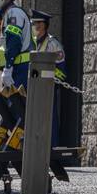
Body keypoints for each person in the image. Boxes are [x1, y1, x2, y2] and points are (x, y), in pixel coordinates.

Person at [30, 9, 66, 148]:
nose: (35, 27)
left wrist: (50, 81)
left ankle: (52, 149)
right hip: (35, 88)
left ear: (45, 25)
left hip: (48, 88)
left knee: (50, 120)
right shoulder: (33, 43)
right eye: (33, 24)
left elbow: (61, 70)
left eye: (38, 23)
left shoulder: (53, 44)